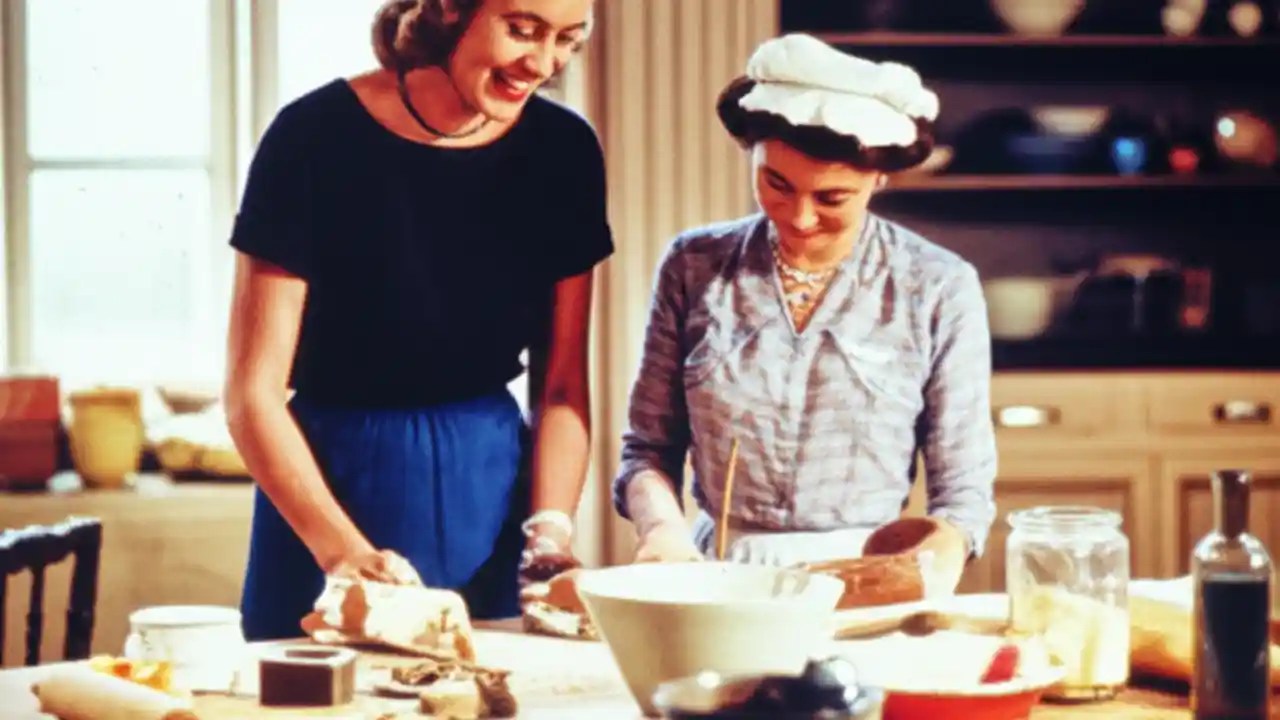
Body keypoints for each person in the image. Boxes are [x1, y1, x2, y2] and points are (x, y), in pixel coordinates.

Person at [224, 0, 611, 640]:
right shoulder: (311, 137)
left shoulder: (563, 150)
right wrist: (341, 552)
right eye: (523, 30)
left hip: (487, 487)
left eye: (568, 39)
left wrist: (549, 534)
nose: (543, 64)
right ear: (450, 10)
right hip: (330, 483)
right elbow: (251, 394)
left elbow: (562, 387)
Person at [612, 33, 996, 592]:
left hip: (865, 581)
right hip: (718, 575)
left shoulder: (938, 285)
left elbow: (962, 494)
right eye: (776, 184)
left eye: (832, 198)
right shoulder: (694, 266)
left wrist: (928, 566)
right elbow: (647, 451)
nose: (801, 216)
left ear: (877, 178)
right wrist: (662, 531)